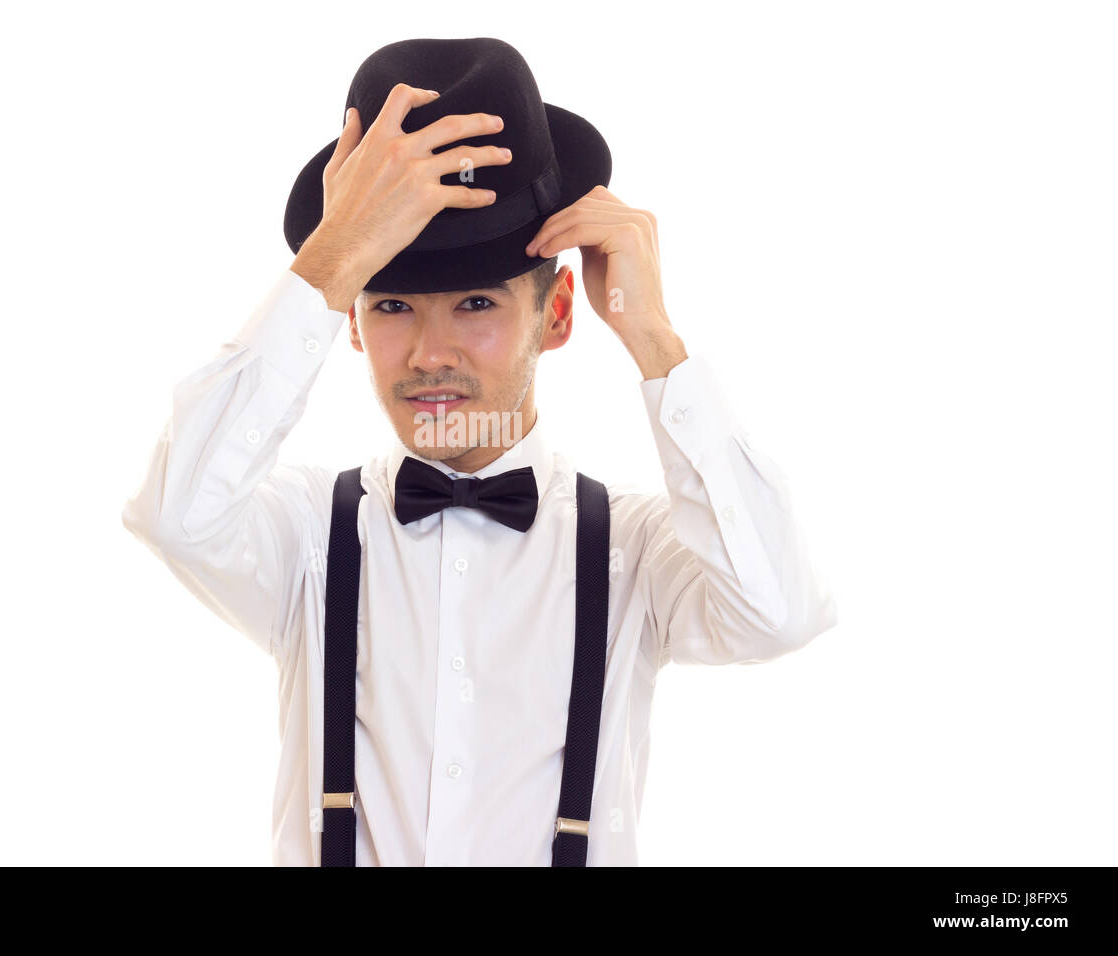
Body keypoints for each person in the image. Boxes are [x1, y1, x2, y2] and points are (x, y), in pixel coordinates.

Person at [121, 37, 837, 866]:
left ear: (558, 312)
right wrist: (333, 256)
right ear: (349, 320)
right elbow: (174, 511)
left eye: (473, 303)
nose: (429, 353)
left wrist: (654, 338)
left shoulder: (636, 551)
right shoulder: (307, 538)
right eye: (390, 304)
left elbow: (781, 611)